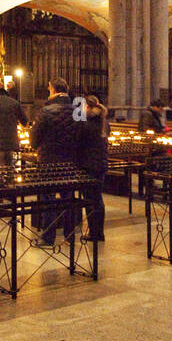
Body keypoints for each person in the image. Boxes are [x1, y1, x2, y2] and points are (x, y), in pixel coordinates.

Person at [30, 78, 78, 244]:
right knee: (68, 198)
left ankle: (48, 236)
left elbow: (34, 139)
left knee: (48, 198)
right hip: (70, 160)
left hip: (48, 160)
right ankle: (70, 235)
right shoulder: (77, 111)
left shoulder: (46, 111)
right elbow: (81, 136)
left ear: (51, 89)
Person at [77, 94, 109, 243]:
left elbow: (79, 142)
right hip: (101, 163)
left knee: (89, 200)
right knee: (98, 199)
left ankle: (93, 232)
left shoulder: (85, 122)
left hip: (88, 164)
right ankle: (99, 232)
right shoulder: (103, 121)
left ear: (87, 107)